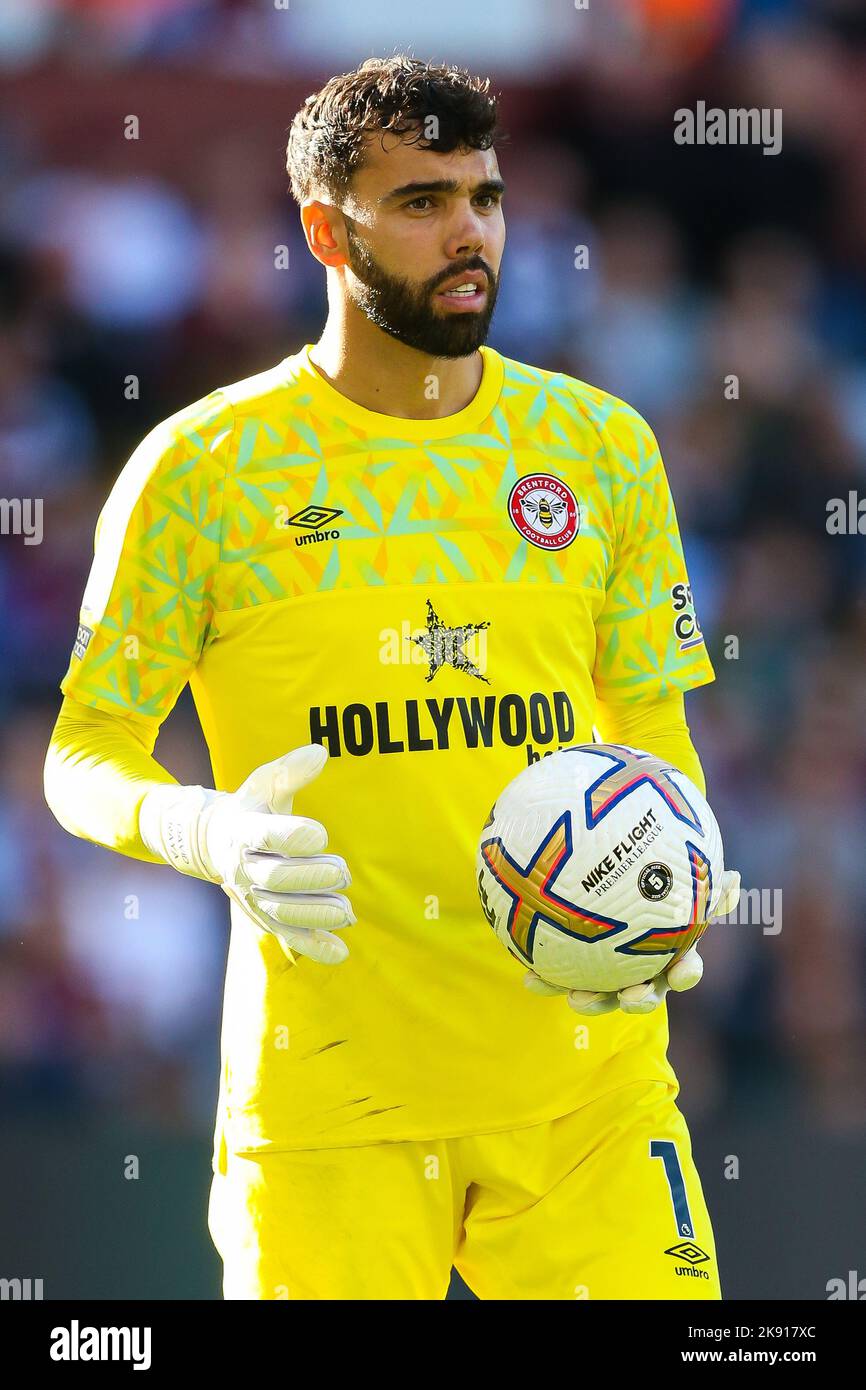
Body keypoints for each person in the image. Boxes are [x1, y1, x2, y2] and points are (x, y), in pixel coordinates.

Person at [44, 55, 736, 1300]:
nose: (470, 232)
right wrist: (206, 830)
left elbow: (648, 721)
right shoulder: (202, 471)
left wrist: (681, 872)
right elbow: (81, 752)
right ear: (325, 231)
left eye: (485, 197)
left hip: (586, 1094)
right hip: (331, 1106)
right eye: (422, 201)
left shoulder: (600, 449)